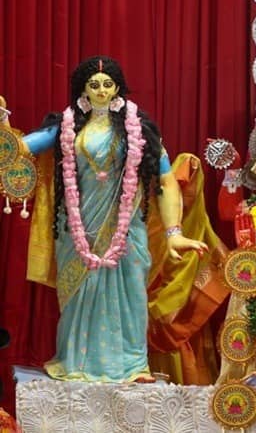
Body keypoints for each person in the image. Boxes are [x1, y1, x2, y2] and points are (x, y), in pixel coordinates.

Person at [14, 56, 209, 382]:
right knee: (80, 298)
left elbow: (166, 180)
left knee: (131, 293)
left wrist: (174, 231)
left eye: (108, 84)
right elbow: (20, 149)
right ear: (83, 90)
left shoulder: (139, 130)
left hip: (126, 231)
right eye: (94, 85)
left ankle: (133, 367)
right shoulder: (67, 127)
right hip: (77, 232)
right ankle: (75, 362)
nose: (101, 90)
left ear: (118, 87)